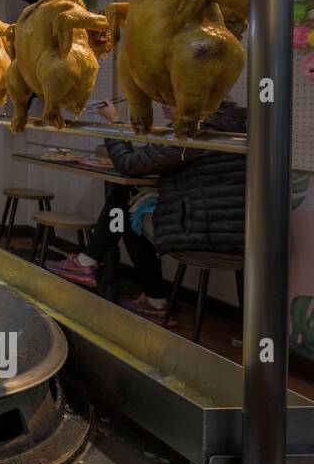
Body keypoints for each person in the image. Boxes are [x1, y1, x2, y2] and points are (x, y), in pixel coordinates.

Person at [46, 99, 246, 323]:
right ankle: (155, 300)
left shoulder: (193, 130)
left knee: (126, 207)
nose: (163, 101)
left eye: (171, 93)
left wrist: (114, 121)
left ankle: (87, 263)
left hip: (206, 231)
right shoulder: (233, 123)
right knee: (131, 209)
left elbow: (129, 164)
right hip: (240, 232)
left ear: (194, 93)